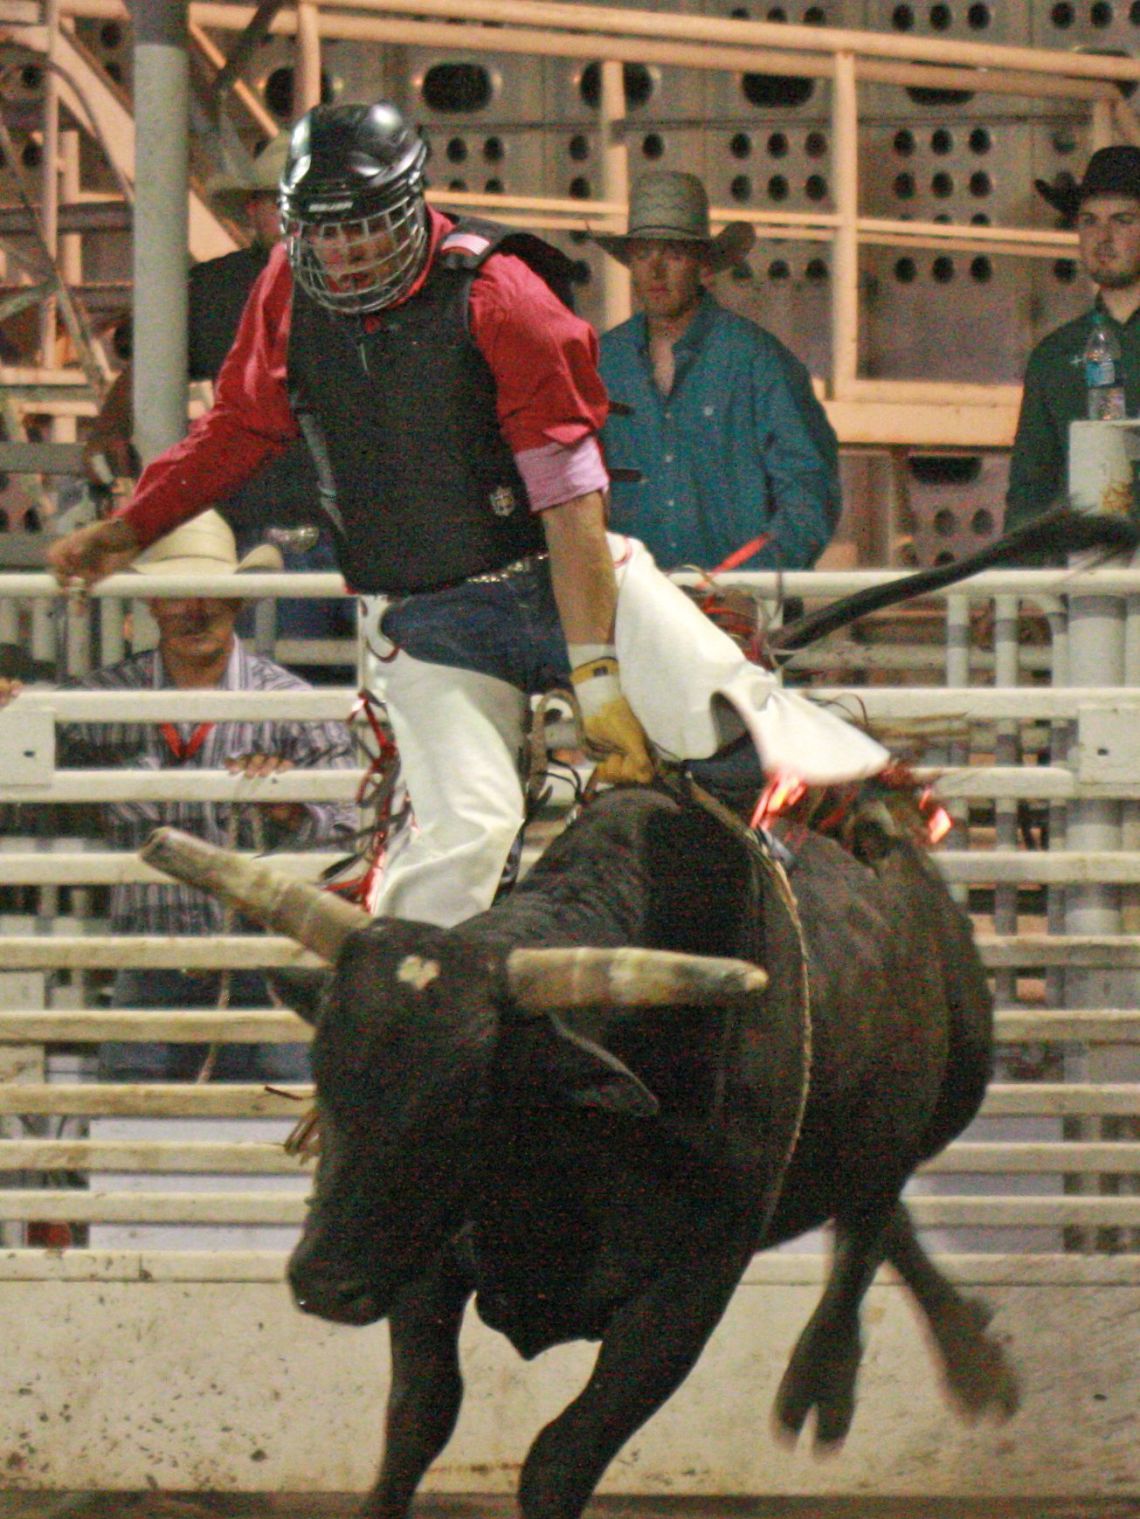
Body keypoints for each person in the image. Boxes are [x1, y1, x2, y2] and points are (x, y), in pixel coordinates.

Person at [48, 101, 887, 931]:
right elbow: (239, 426)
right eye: (320, 231)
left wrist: (594, 674)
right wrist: (130, 527)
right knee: (461, 837)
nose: (339, 254)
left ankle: (867, 825)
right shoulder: (284, 290)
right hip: (432, 609)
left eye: (361, 229)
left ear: (410, 211)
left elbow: (568, 499)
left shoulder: (501, 294)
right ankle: (410, 1007)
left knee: (726, 715)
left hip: (556, 573)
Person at [2, 510, 358, 1081]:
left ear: (237, 601)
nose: (195, 609)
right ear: (152, 604)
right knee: (148, 1124)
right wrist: (12, 713)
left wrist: (292, 806)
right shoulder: (101, 699)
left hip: (268, 964)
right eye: (177, 596)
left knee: (255, 1131)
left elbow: (349, 827)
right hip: (151, 959)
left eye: (212, 594)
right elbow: (27, 772)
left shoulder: (291, 700)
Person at [83, 133, 355, 678]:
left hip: (358, 533)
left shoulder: (367, 284)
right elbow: (150, 368)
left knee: (339, 694)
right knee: (293, 693)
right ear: (254, 211)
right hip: (279, 531)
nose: (289, 215)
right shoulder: (218, 290)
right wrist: (110, 426)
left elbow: (150, 365)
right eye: (278, 201)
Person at [594, 171, 842, 576]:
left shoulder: (758, 362)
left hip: (732, 614)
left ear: (703, 267)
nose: (655, 270)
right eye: (642, 255)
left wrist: (748, 585)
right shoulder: (603, 362)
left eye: (672, 254)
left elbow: (809, 495)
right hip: (634, 607)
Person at [1006, 144, 1140, 529]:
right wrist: (1019, 585)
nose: (1103, 236)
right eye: (1089, 221)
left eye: (1123, 220)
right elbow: (1029, 492)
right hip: (1087, 576)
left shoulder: (1057, 353)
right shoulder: (1054, 355)